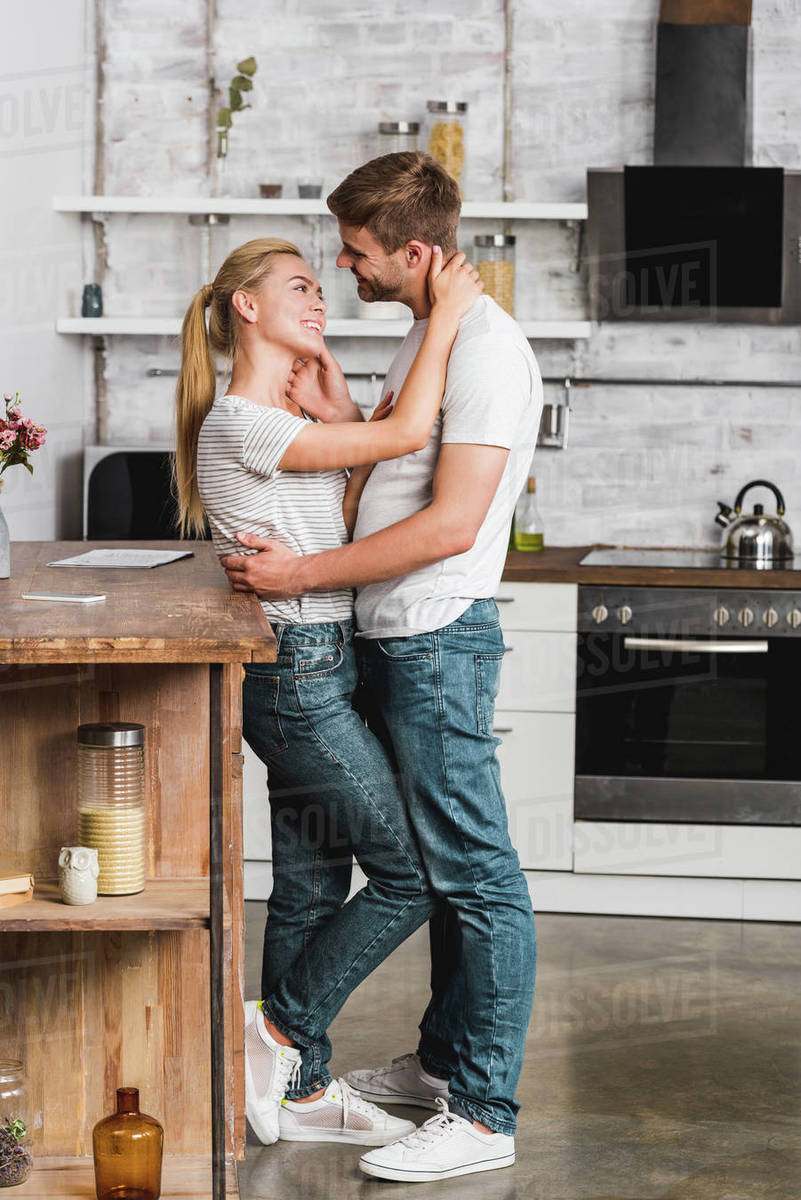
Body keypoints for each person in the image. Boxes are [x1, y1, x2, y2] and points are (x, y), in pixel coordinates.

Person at [221, 152, 542, 1183]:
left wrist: (301, 572)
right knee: (439, 871)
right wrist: (346, 420)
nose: (345, 271)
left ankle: (482, 1112)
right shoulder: (425, 334)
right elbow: (396, 476)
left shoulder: (483, 348)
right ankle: (443, 1068)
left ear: (411, 250)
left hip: (436, 638)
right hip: (390, 639)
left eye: (357, 254)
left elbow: (451, 525)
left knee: (475, 876)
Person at [174, 234, 482, 1149]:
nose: (320, 300)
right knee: (411, 873)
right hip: (298, 676)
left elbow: (340, 520)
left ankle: (298, 1095)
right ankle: (275, 1033)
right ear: (246, 306)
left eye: (321, 286)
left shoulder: (281, 418)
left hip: (320, 662)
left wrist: (339, 404)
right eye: (301, 286)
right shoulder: (241, 421)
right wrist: (447, 318)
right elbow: (407, 434)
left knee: (310, 887)